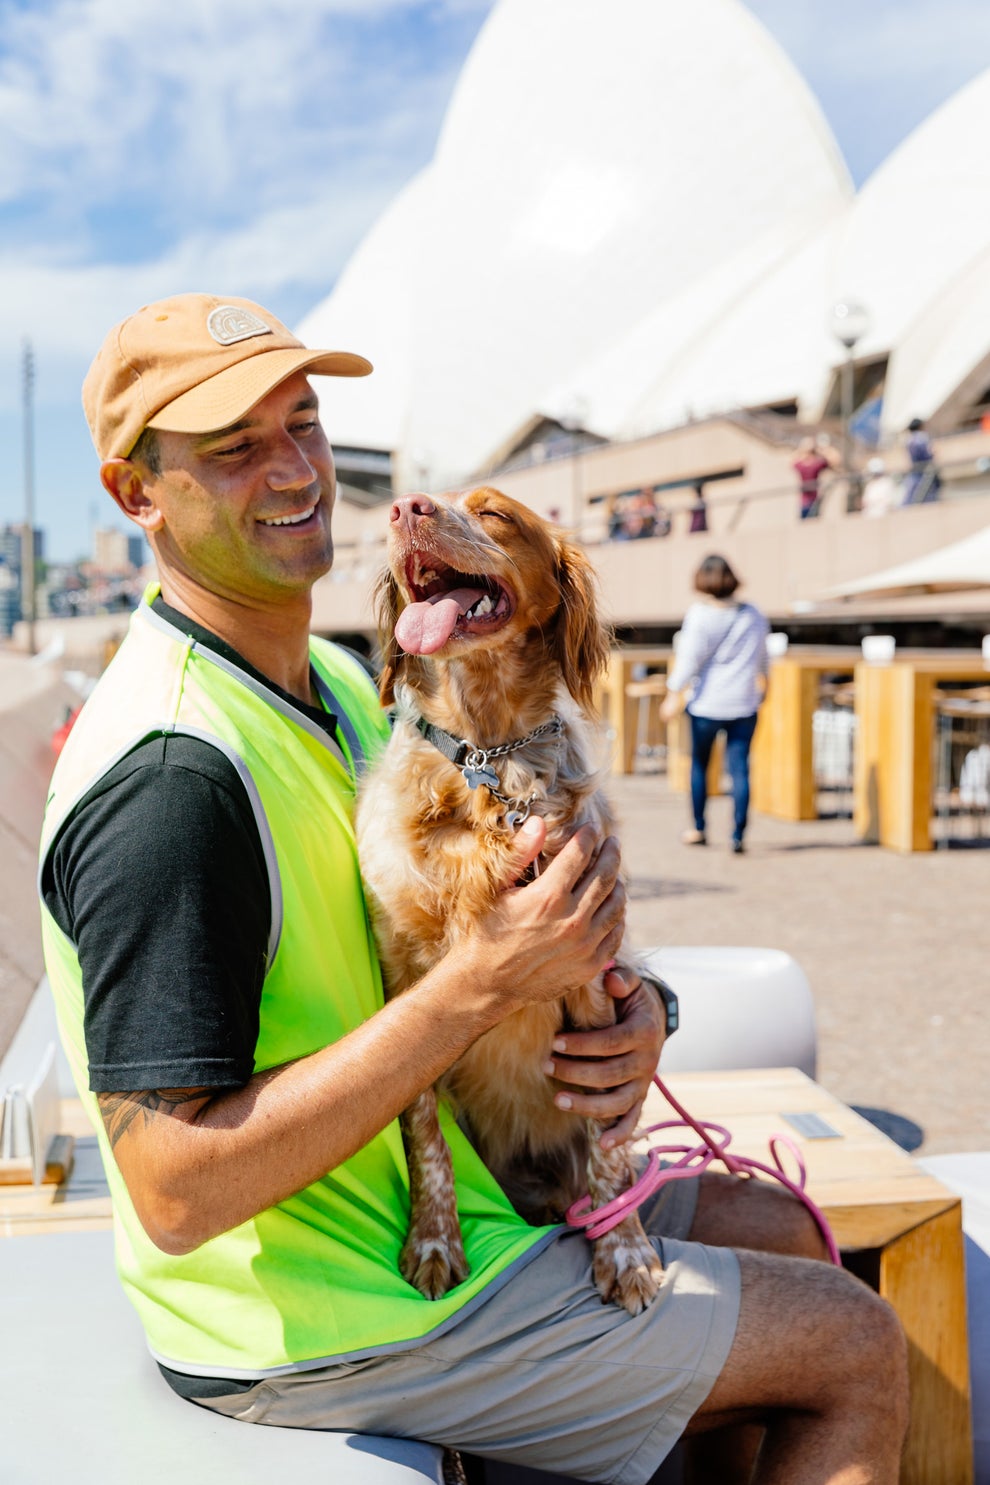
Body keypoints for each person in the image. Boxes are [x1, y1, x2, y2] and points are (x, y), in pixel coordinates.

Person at [38, 293, 907, 1485]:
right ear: (136, 495)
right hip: (331, 1309)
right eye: (234, 448)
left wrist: (640, 1011)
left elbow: (492, 922)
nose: (294, 468)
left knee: (792, 1233)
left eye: (303, 424)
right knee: (854, 1344)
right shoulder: (173, 778)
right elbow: (174, 1194)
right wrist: (482, 983)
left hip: (473, 1179)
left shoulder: (349, 693)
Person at [660, 555, 769, 855]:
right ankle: (738, 834)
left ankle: (698, 828)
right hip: (744, 704)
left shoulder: (700, 614)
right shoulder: (754, 614)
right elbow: (763, 656)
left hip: (706, 704)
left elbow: (689, 659)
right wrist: (765, 684)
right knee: (740, 770)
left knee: (700, 766)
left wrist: (673, 693)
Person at [791, 434, 838, 519]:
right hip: (809, 500)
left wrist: (802, 449)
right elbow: (834, 460)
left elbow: (793, 460)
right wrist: (823, 449)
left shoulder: (806, 464)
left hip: (810, 500)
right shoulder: (816, 464)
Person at [902, 417, 941, 504]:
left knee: (912, 494)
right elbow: (928, 454)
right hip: (925, 469)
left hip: (914, 469)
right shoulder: (922, 438)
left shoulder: (908, 440)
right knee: (928, 494)